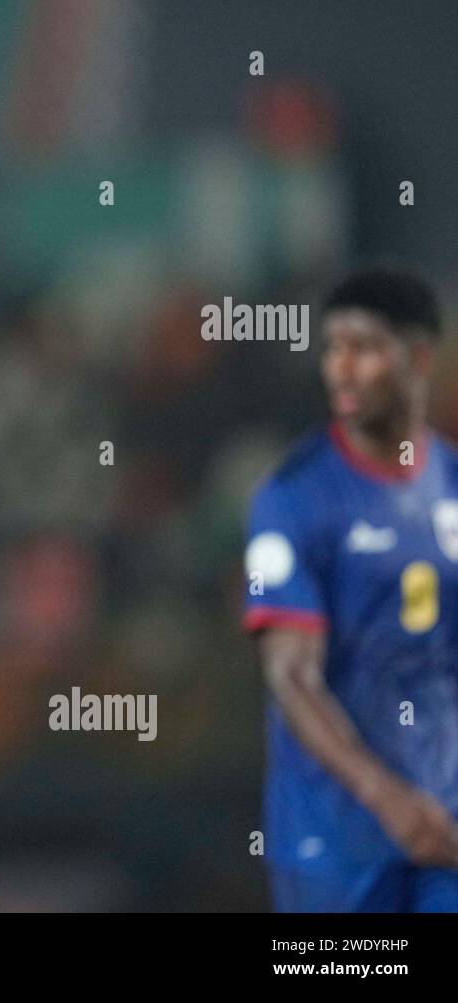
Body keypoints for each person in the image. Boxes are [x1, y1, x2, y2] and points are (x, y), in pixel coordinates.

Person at [243, 267, 458, 911]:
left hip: (442, 832)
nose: (340, 368)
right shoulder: (293, 497)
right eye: (332, 348)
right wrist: (389, 800)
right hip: (333, 843)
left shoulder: (451, 484)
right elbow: (291, 677)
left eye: (363, 348)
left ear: (417, 357)